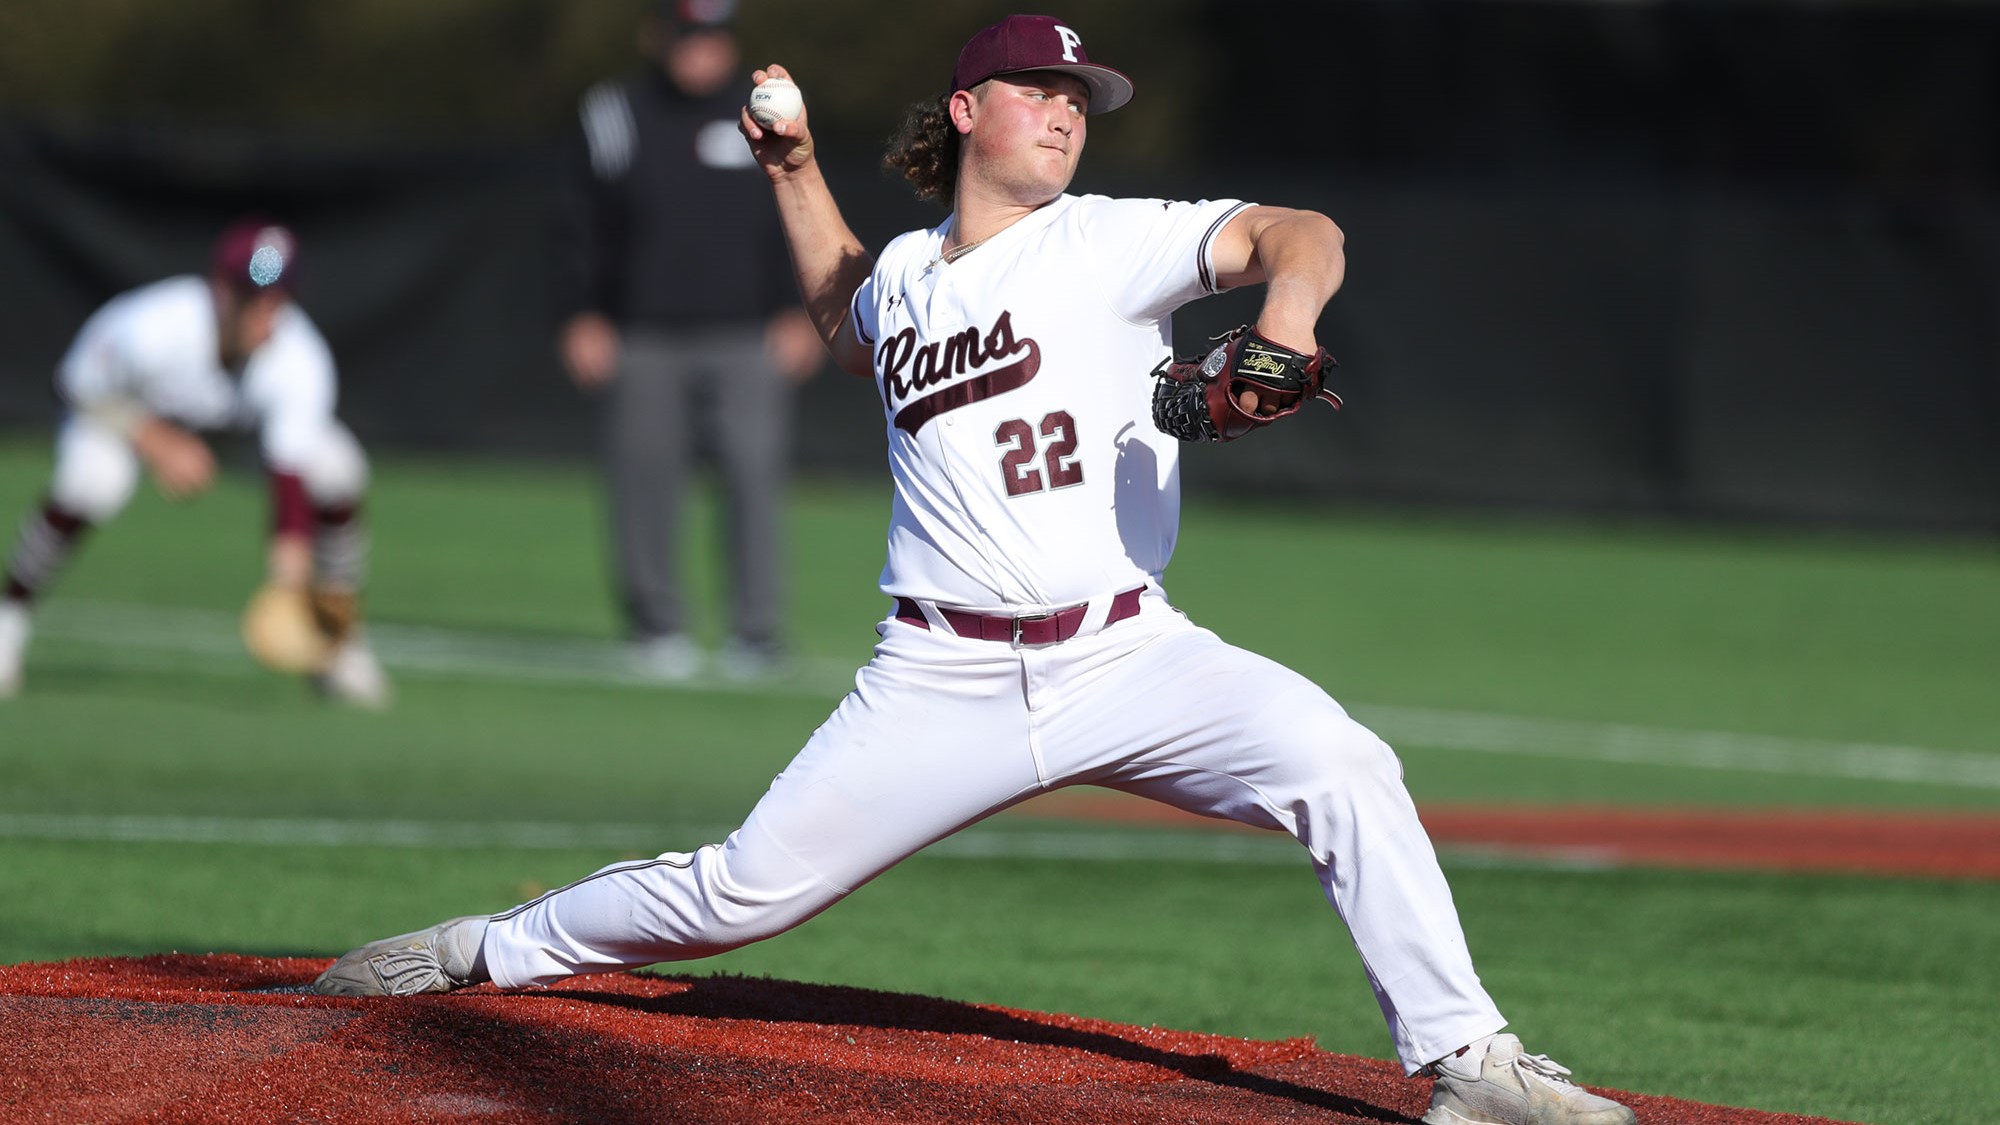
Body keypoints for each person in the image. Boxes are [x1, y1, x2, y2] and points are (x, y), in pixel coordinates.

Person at [315, 15, 1633, 1124]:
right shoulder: (905, 275)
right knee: (742, 891)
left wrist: (1283, 321)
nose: (1066, 113)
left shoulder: (1110, 243)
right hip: (939, 673)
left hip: (1131, 656)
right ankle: (481, 949)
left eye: (1081, 98)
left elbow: (1306, 231)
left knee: (1341, 761)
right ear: (966, 107)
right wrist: (792, 161)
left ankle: (1466, 1062)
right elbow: (846, 319)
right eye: (1041, 89)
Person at [0, 218, 389, 708]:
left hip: (230, 439)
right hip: (124, 417)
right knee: (93, 482)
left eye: (279, 300)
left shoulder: (299, 357)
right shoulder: (154, 325)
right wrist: (155, 440)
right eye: (255, 298)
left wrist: (290, 584)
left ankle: (337, 640)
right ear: (222, 291)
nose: (268, 314)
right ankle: (7, 623)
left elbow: (289, 476)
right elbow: (75, 384)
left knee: (337, 466)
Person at [552, 0, 822, 682]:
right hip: (642, 332)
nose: (701, 51)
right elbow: (577, 220)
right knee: (643, 481)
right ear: (658, 38)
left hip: (747, 333)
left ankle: (754, 634)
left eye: (713, 38)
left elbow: (797, 211)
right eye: (688, 38)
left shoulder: (766, 114)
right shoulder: (613, 111)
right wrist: (582, 311)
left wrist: (800, 307)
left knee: (754, 478)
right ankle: (656, 628)